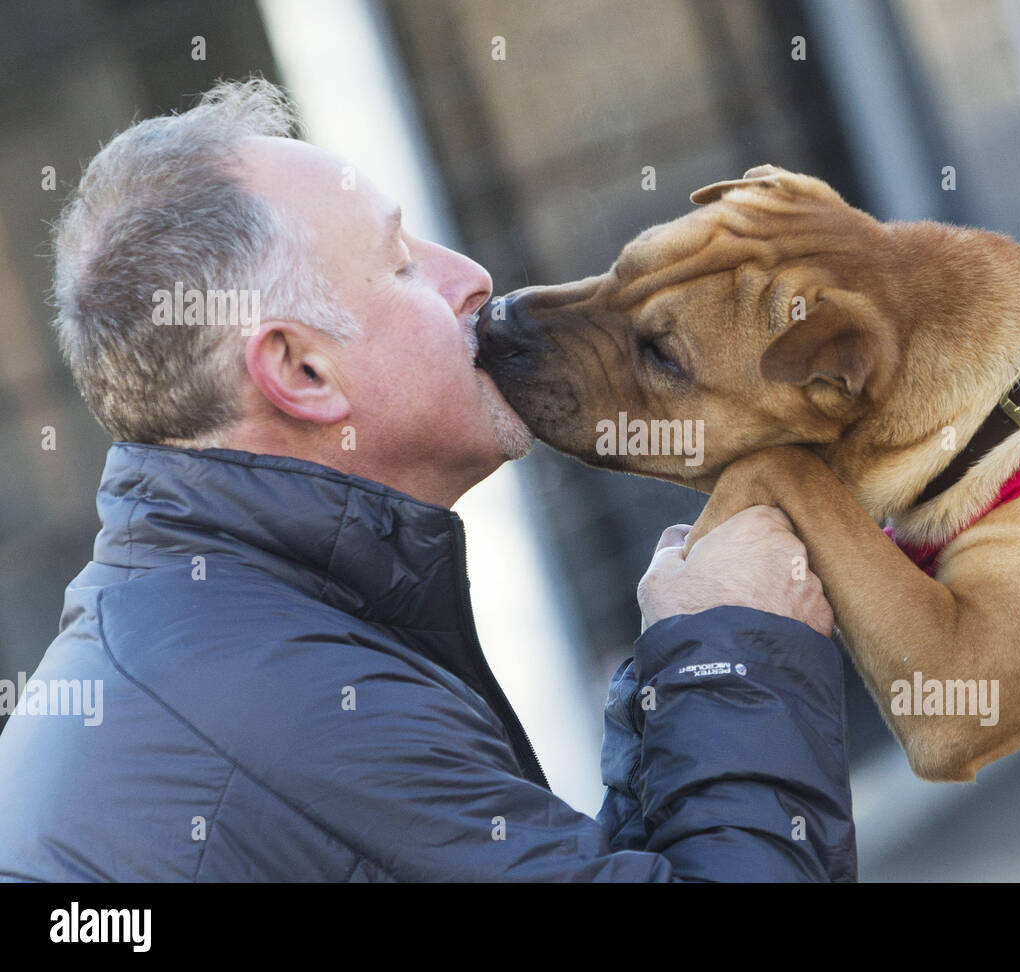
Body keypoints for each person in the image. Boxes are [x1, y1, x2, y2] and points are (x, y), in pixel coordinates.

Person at [0, 79, 856, 881]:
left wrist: (682, 673)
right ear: (300, 370)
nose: (471, 277)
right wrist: (737, 651)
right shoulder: (286, 705)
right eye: (402, 262)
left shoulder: (220, 635)